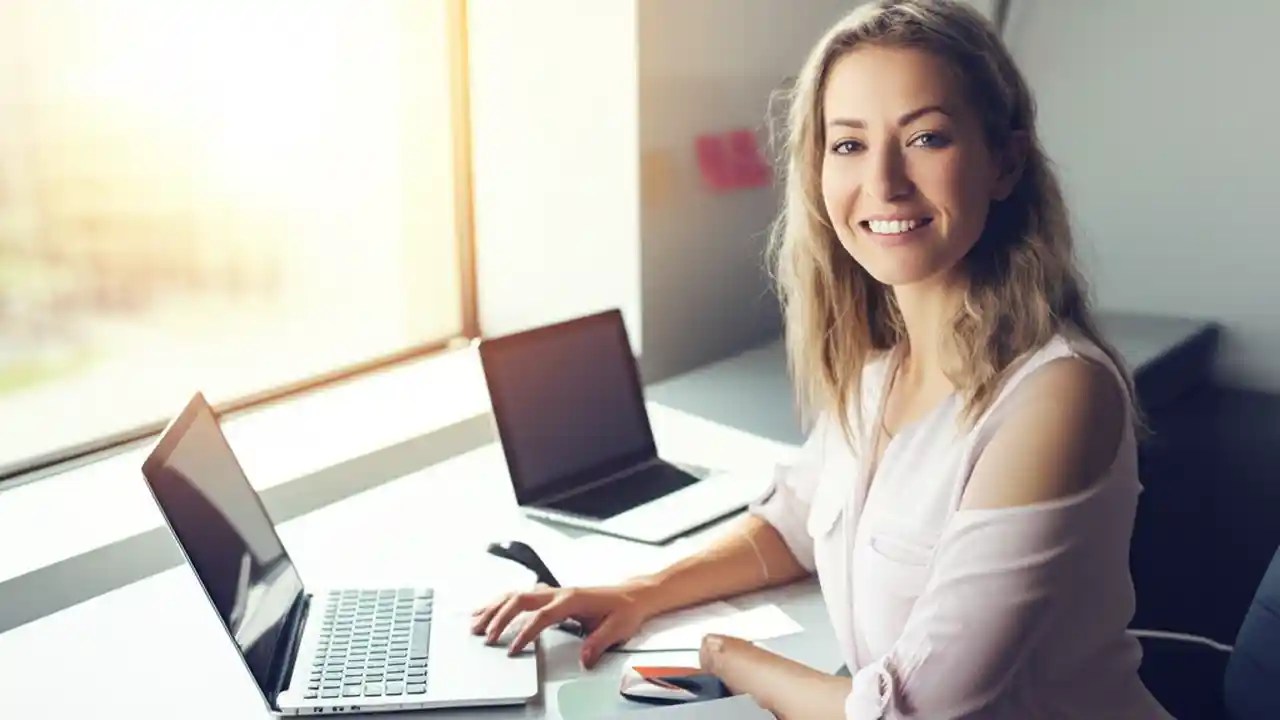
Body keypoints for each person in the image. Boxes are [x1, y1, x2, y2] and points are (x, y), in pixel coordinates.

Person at [472, 1, 1172, 717]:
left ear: (1005, 162)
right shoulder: (882, 368)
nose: (886, 182)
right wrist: (637, 592)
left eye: (927, 137)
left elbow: (914, 712)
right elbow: (797, 521)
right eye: (849, 145)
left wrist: (727, 659)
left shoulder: (1056, 395)